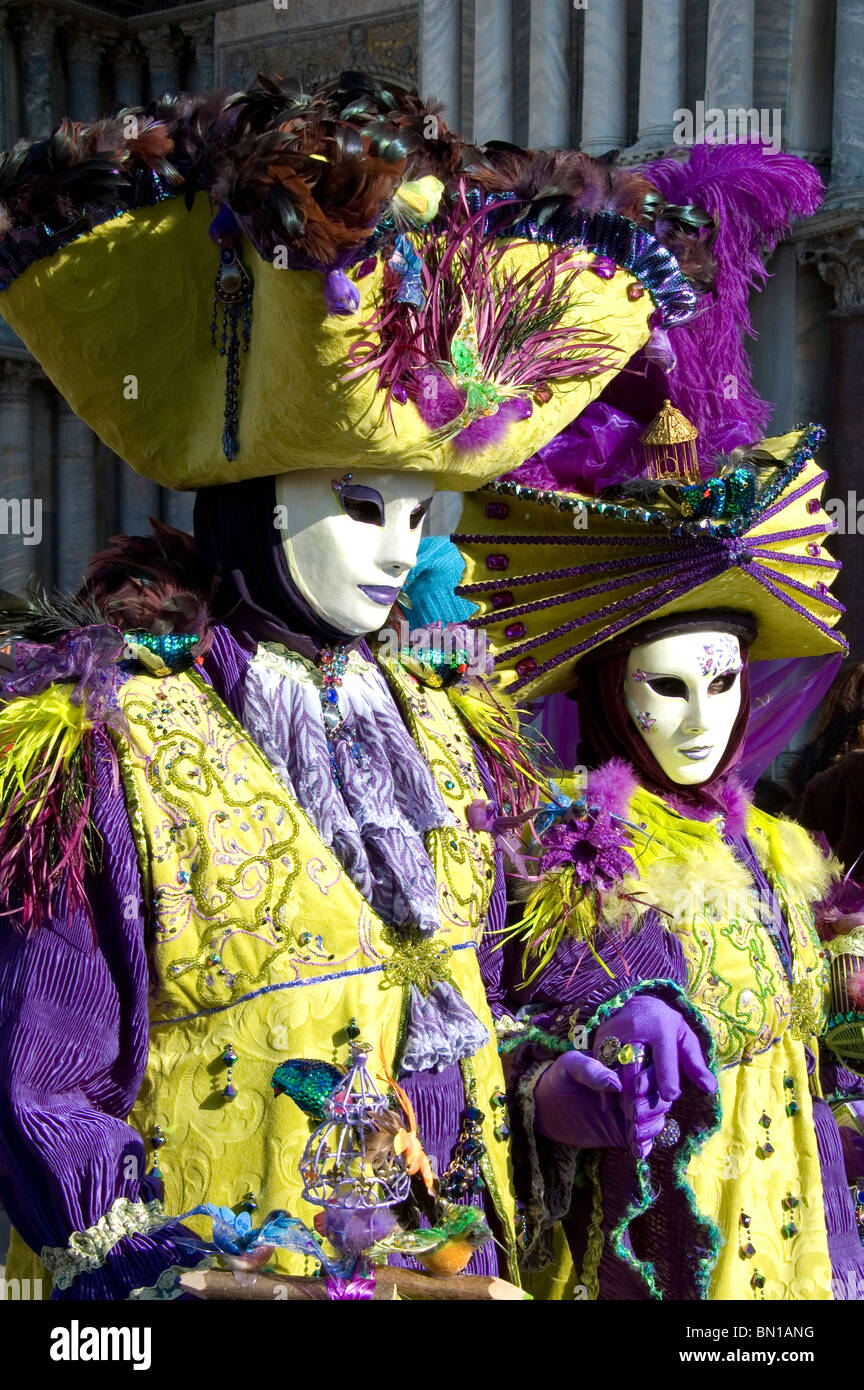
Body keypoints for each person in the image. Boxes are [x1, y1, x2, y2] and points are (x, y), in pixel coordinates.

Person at [0, 74, 695, 1298]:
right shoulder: (95, 744)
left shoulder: (448, 723)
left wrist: (573, 1076)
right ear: (246, 506)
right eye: (361, 506)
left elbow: (511, 983)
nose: (396, 551)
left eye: (421, 514)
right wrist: (184, 1280)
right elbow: (38, 1084)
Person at [450, 140, 864, 1299]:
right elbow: (492, 1048)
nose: (702, 719)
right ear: (605, 695)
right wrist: (569, 1087)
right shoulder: (558, 862)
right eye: (668, 687)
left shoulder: (779, 853)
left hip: (801, 1253)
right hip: (664, 1264)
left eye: (724, 683)